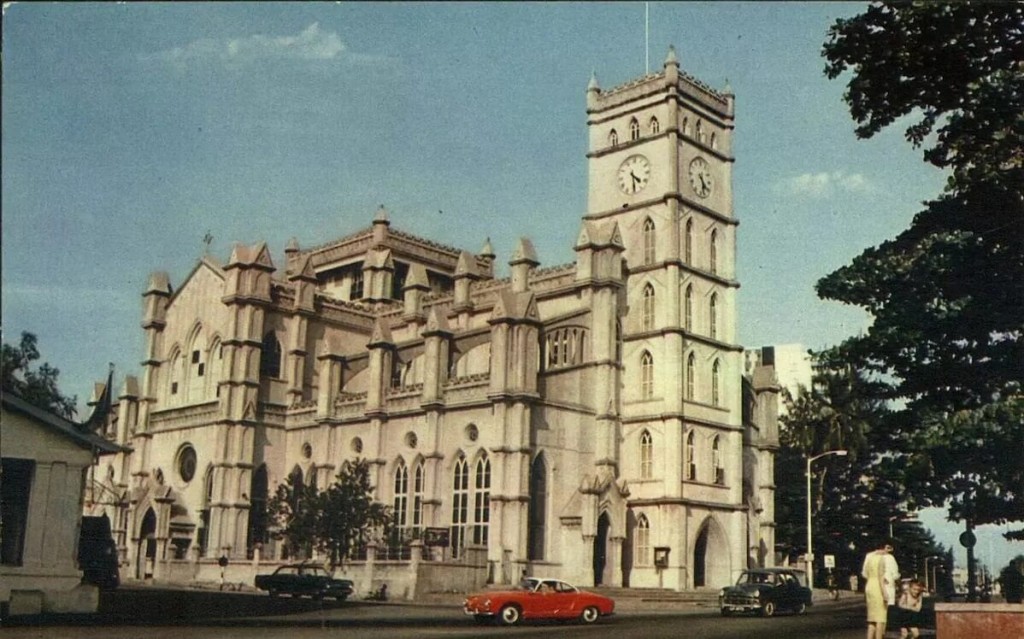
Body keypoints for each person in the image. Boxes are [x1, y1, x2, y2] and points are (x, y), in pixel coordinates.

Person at [862, 538, 896, 639]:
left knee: (872, 619)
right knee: (880, 619)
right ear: (885, 547)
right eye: (888, 548)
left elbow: (865, 574)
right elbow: (881, 578)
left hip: (869, 586)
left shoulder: (869, 557)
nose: (889, 551)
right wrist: (885, 593)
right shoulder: (882, 559)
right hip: (878, 588)